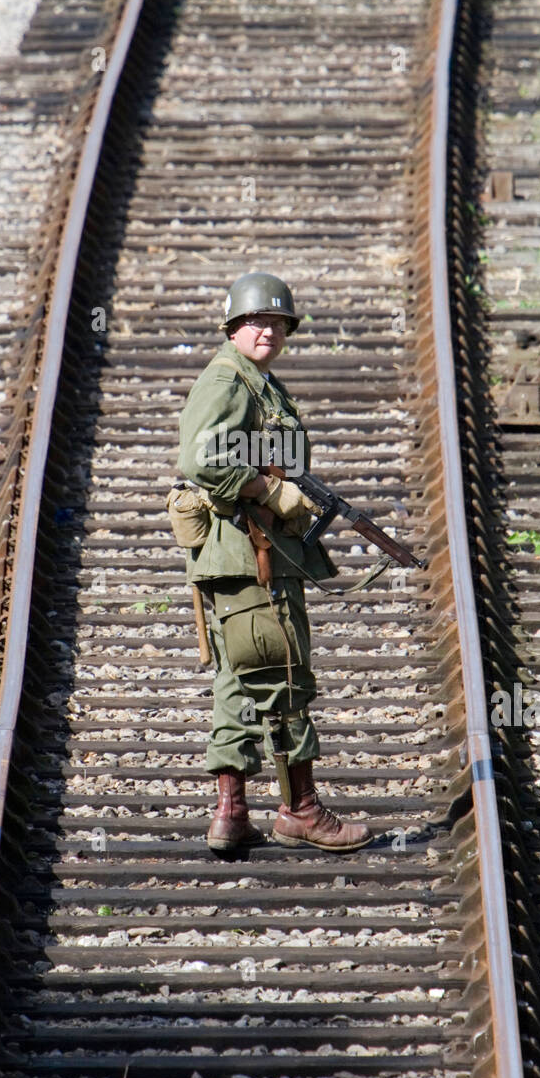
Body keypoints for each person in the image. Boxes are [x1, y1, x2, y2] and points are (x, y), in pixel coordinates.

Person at [175, 271, 373, 854]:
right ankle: (300, 809)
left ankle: (231, 815)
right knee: (283, 675)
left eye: (279, 322)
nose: (269, 330)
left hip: (256, 555)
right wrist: (264, 489)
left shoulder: (259, 383)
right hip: (247, 553)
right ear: (234, 326)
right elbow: (201, 457)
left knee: (241, 680)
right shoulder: (227, 381)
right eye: (258, 321)